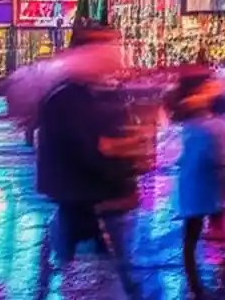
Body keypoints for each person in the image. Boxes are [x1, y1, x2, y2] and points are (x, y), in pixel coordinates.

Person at [34, 27, 145, 299]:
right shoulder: (69, 99)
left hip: (96, 201)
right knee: (100, 278)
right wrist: (124, 149)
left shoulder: (99, 94)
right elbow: (92, 150)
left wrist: (122, 147)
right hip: (88, 204)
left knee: (111, 274)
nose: (114, 54)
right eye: (106, 48)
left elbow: (111, 143)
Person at [175, 80, 225, 299]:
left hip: (190, 193)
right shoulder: (206, 132)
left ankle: (195, 283)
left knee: (190, 240)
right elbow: (212, 159)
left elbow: (182, 160)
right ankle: (197, 284)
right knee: (194, 237)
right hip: (202, 192)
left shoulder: (187, 131)